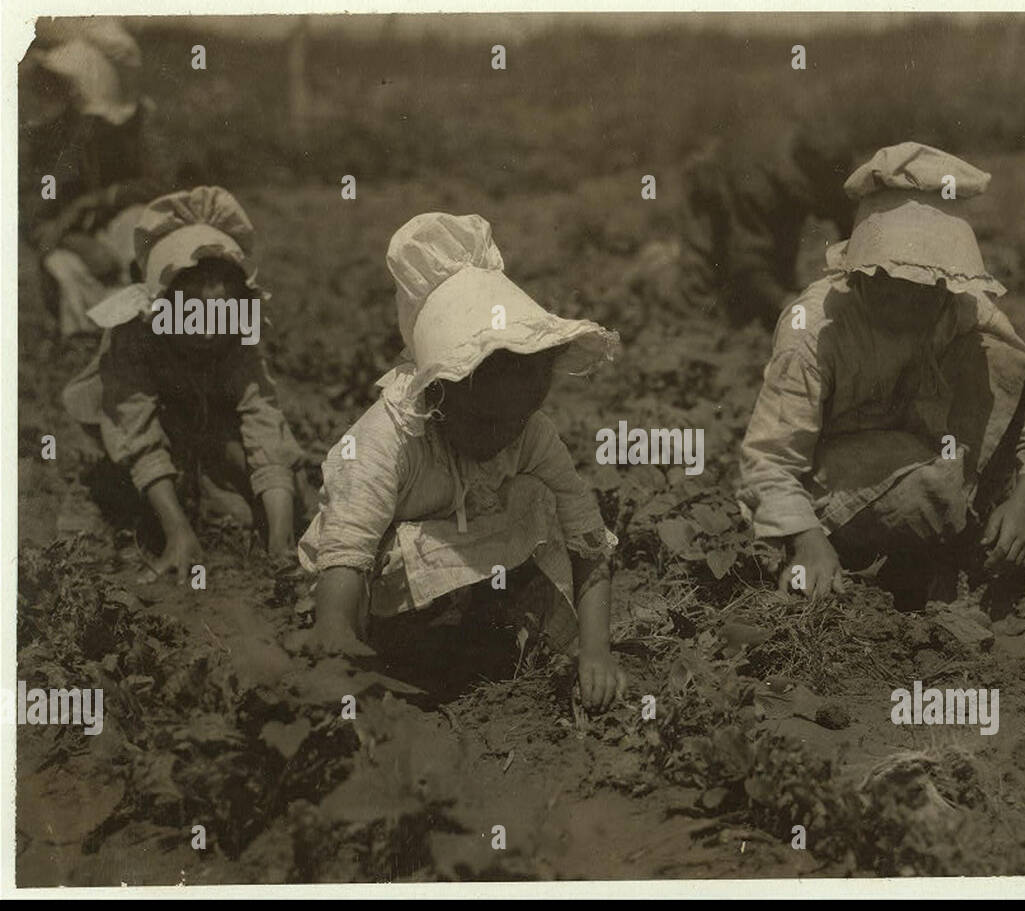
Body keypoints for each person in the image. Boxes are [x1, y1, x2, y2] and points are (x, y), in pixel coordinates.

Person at [291, 213, 626, 712]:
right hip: (375, 589)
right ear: (440, 393)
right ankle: (404, 651)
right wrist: (337, 643)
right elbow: (347, 552)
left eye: (519, 420)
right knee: (380, 570)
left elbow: (587, 535)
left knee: (540, 498)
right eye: (488, 422)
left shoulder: (526, 432)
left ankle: (481, 626)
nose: (504, 437)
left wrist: (595, 650)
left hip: (462, 563)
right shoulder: (389, 439)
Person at [738, 143, 1025, 609]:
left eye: (926, 290)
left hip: (934, 452)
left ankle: (962, 530)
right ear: (861, 276)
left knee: (999, 358)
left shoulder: (960, 308)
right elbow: (770, 460)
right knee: (925, 491)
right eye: (893, 286)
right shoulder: (815, 329)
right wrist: (808, 540)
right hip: (837, 478)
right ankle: (900, 553)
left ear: (944, 282)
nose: (911, 303)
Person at [62, 186, 314, 581]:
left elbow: (261, 416)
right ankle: (180, 507)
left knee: (285, 493)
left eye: (220, 320)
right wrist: (176, 531)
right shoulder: (133, 335)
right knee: (147, 502)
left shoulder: (235, 331)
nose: (207, 334)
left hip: (210, 413)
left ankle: (230, 498)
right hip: (149, 424)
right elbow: (135, 428)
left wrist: (282, 537)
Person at [20, 18, 170, 337]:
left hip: (119, 239)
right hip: (76, 246)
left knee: (141, 223)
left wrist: (96, 200)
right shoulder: (50, 138)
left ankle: (138, 317)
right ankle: (103, 325)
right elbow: (32, 215)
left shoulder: (135, 125)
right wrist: (75, 238)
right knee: (59, 266)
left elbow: (159, 186)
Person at [676, 119, 857, 330]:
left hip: (766, 183)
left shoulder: (825, 160)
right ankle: (653, 269)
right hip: (712, 193)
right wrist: (789, 303)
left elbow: (847, 218)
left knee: (781, 278)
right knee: (701, 298)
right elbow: (747, 262)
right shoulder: (755, 186)